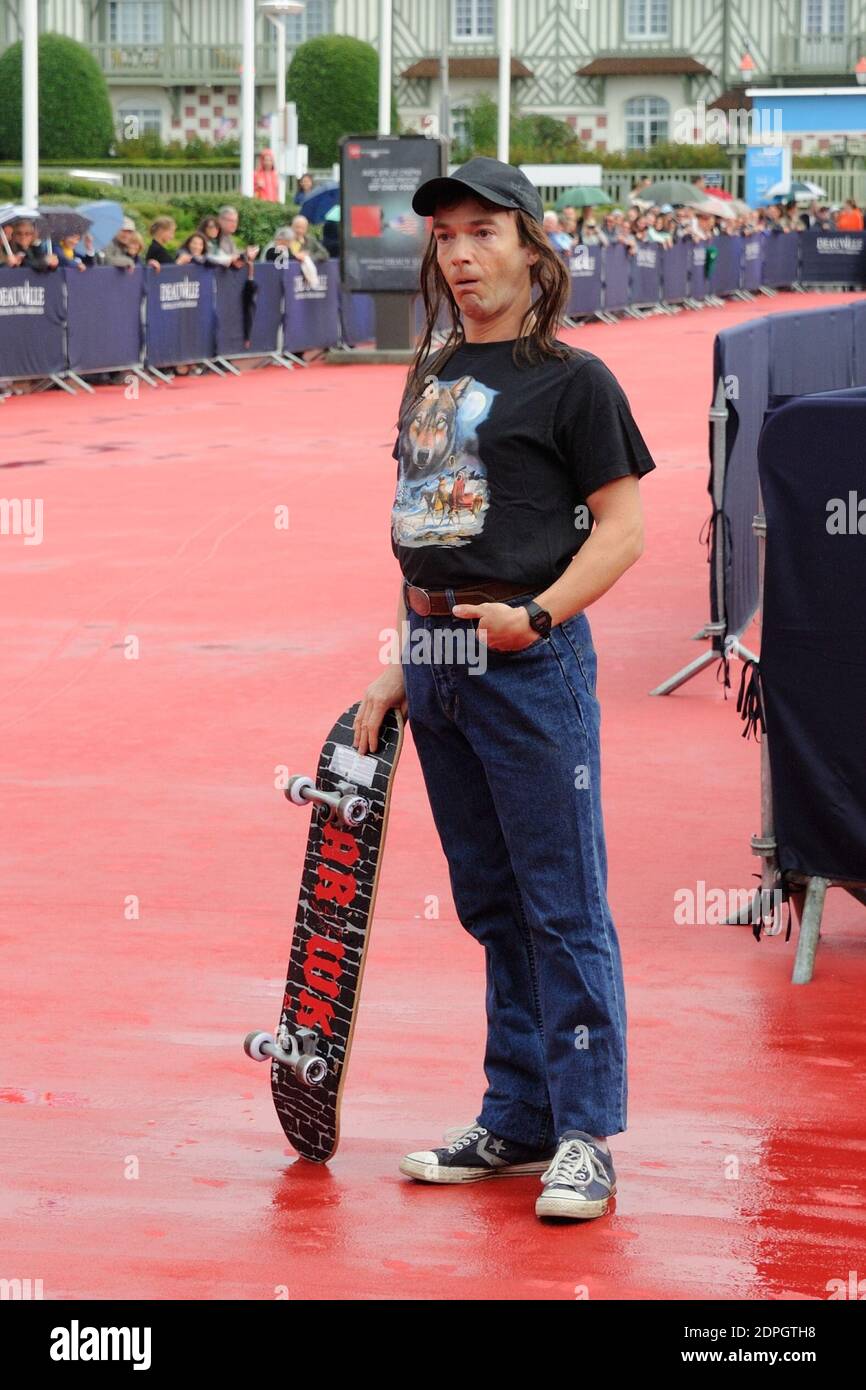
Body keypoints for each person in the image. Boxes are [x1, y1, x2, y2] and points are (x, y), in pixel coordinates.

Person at [353, 156, 656, 1222]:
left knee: (560, 903)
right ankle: (516, 1114)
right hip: (436, 661)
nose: (462, 255)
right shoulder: (428, 372)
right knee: (490, 903)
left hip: (526, 659)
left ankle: (583, 1133)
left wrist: (535, 617)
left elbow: (620, 532)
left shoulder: (574, 381)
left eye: (483, 232)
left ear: (532, 244)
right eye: (444, 238)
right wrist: (400, 661)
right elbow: (423, 533)